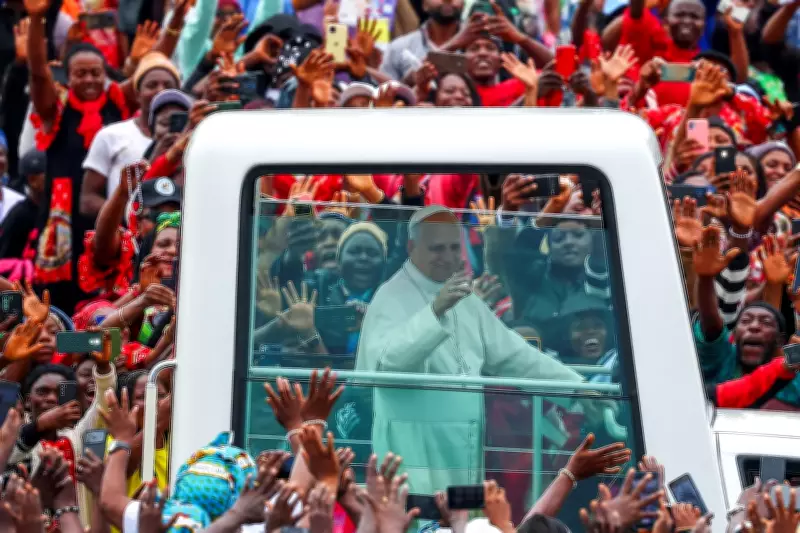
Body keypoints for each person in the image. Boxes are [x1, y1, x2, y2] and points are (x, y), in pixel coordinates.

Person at [355, 204, 601, 494]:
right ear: (411, 247)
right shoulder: (391, 296)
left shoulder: (465, 298)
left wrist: (576, 386)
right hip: (414, 449)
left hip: (463, 450)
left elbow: (515, 355)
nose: (447, 258)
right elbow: (384, 366)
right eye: (436, 249)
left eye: (452, 248)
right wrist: (435, 311)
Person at [80, 52, 181, 217]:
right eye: (152, 85)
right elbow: (88, 199)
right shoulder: (111, 135)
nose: (160, 90)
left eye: (168, 85)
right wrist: (129, 215)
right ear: (137, 94)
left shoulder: (192, 139)